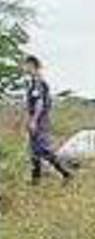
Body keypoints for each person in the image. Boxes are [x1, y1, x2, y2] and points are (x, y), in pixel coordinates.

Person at [22, 55, 71, 184]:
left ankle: (66, 174)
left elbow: (40, 103)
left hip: (40, 120)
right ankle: (35, 180)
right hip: (37, 119)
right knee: (34, 150)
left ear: (32, 65)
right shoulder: (33, 82)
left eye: (26, 65)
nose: (24, 67)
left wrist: (34, 120)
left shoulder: (38, 83)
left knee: (43, 149)